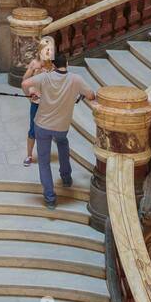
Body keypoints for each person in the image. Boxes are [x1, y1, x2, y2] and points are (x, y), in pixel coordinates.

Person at [22, 50, 97, 208]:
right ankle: (66, 177)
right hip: (62, 126)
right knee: (63, 144)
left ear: (54, 65)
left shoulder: (45, 76)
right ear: (67, 64)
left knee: (44, 163)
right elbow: (90, 95)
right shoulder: (76, 79)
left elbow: (25, 84)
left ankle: (50, 199)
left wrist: (32, 95)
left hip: (42, 125)